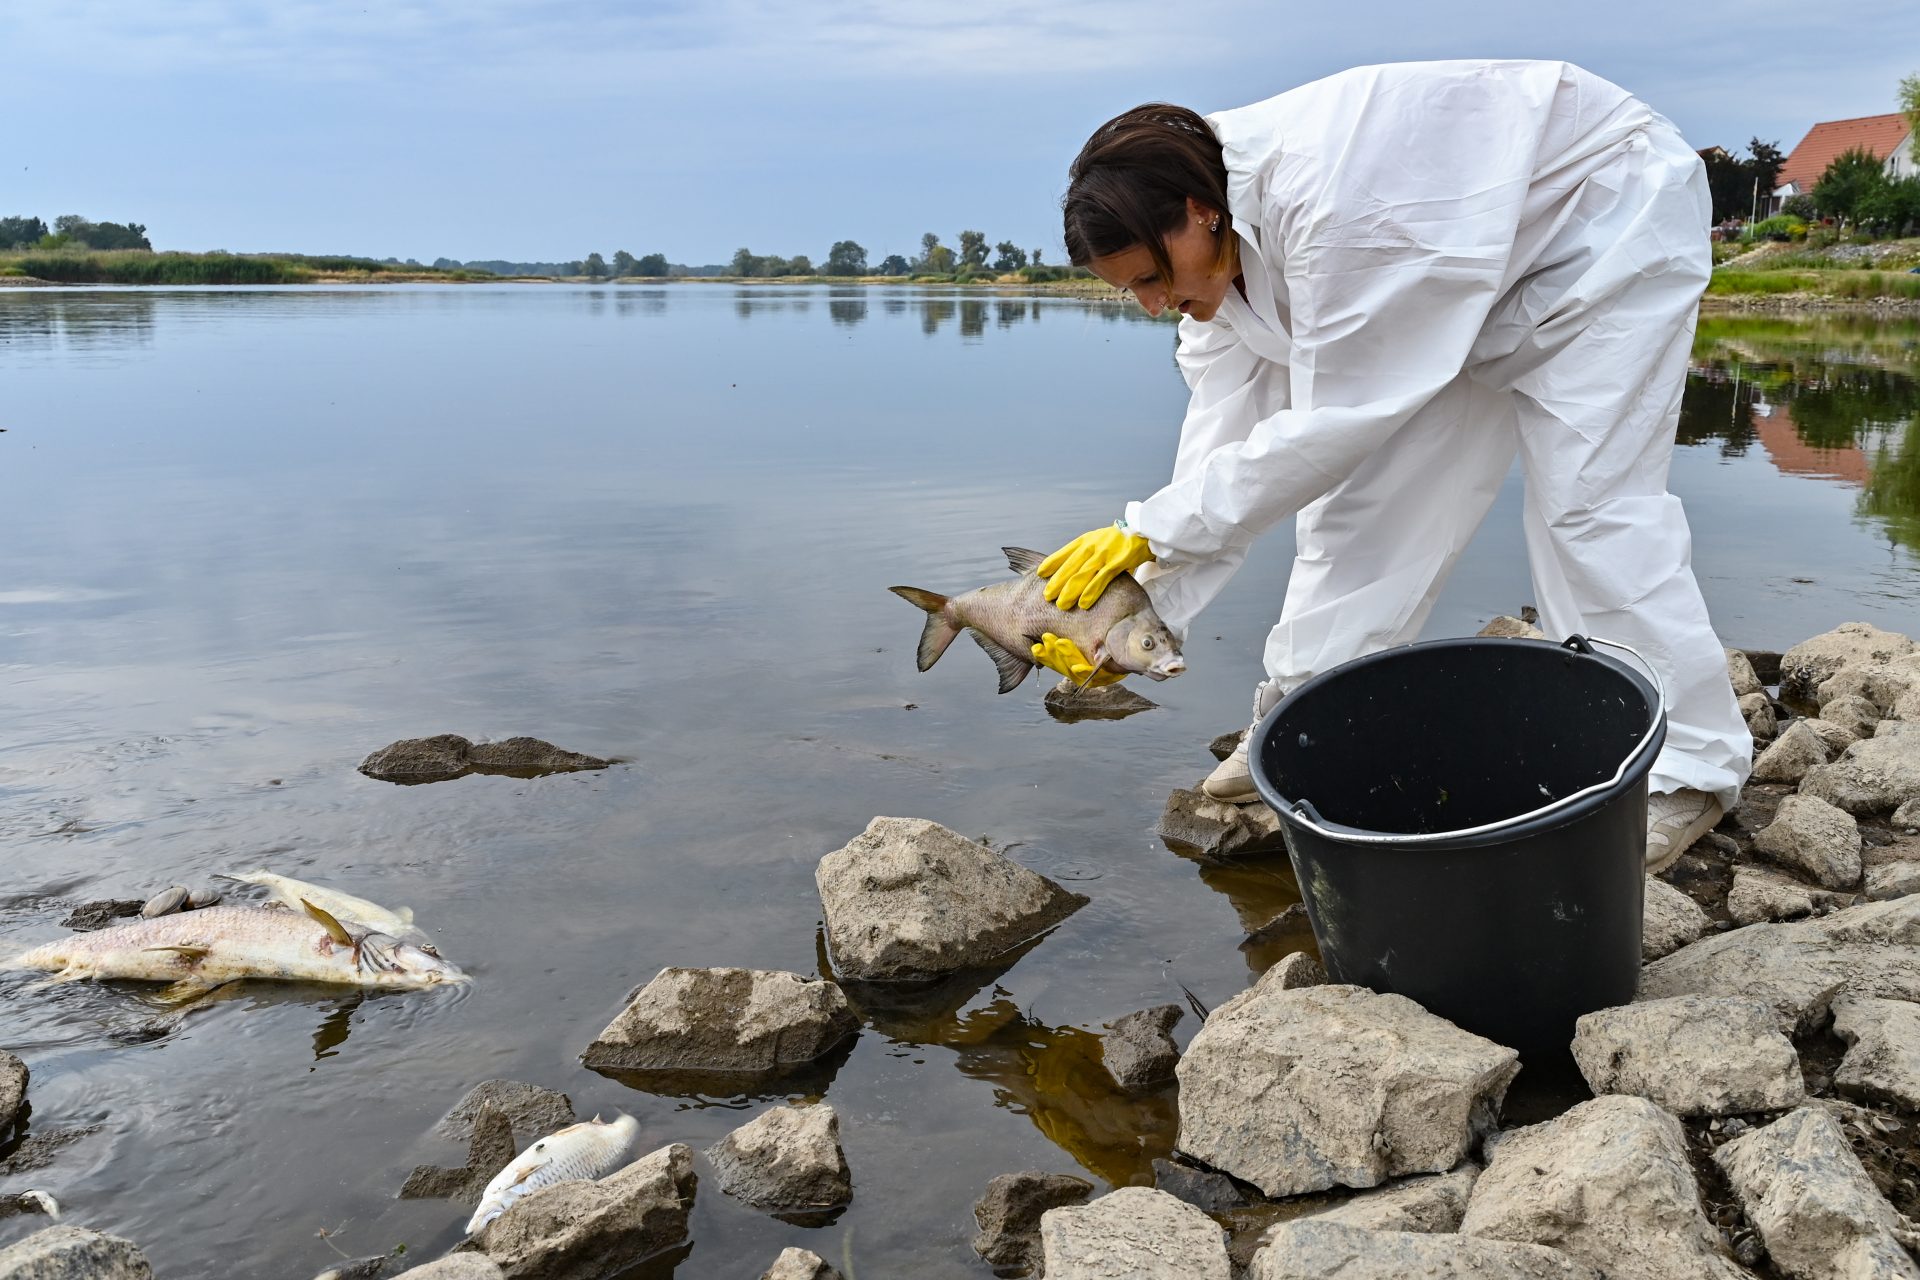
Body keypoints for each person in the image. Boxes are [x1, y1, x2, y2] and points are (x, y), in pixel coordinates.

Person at [1027, 60, 1752, 871]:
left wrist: (1149, 531)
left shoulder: (1331, 202)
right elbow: (1222, 448)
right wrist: (1139, 607)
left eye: (1153, 279)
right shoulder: (1217, 259)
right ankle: (1297, 725)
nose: (1152, 307)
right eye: (1131, 291)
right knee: (1370, 520)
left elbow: (1333, 426)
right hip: (1450, 264)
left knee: (1588, 508)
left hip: (1598, 224)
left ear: (1200, 214)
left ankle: (1686, 767)